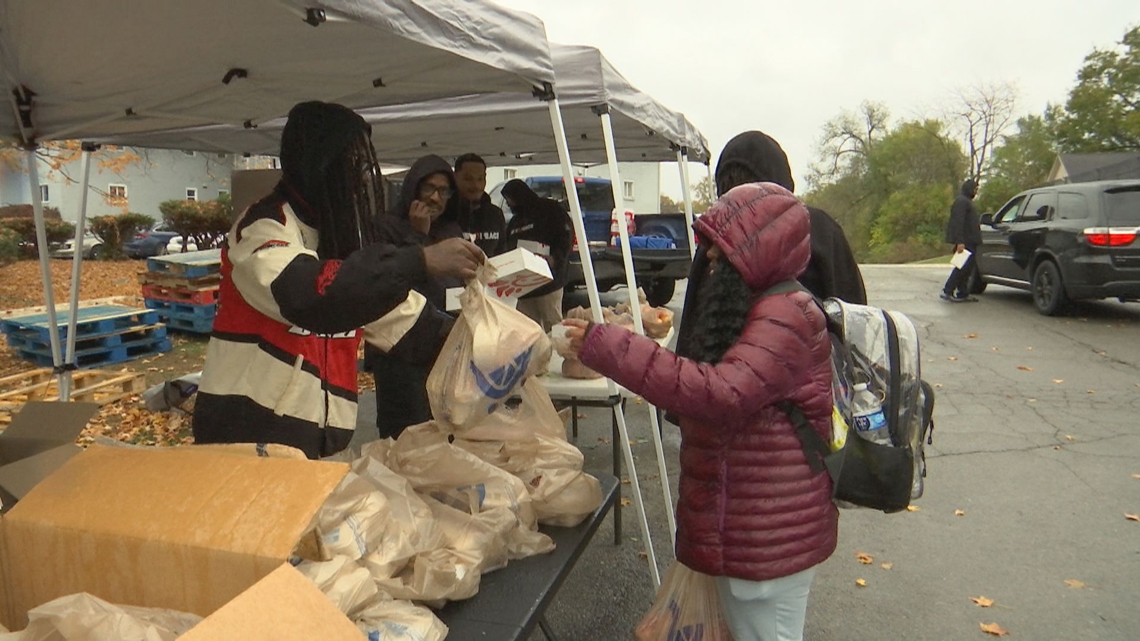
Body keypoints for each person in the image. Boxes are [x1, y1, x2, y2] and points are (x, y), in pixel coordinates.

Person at [564, 182, 838, 641]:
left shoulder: (784, 316)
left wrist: (610, 346)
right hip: (755, 525)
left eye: (721, 246)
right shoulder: (766, 307)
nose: (708, 257)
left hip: (765, 536)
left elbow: (721, 393)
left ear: (759, 249)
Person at [192, 101, 483, 459]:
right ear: (319, 164)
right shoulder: (263, 226)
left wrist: (482, 345)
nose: (362, 179)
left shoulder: (333, 235)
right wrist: (420, 259)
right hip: (248, 440)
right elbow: (311, 295)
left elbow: (397, 317)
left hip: (315, 444)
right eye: (353, 166)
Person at [365, 155, 465, 439]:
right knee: (407, 435)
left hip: (447, 345)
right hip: (401, 353)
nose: (435, 198)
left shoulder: (450, 229)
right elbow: (385, 282)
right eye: (428, 188)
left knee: (445, 434)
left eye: (444, 191)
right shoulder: (384, 227)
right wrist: (418, 236)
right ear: (412, 189)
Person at [714, 130, 867, 304]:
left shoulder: (713, 243)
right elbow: (855, 316)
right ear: (784, 183)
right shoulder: (822, 231)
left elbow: (692, 325)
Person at [500, 179, 573, 332]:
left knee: (553, 326)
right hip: (524, 285)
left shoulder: (550, 210)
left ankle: (560, 354)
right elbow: (508, 247)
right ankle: (536, 356)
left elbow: (565, 237)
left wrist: (555, 258)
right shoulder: (515, 221)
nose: (509, 204)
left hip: (549, 282)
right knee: (527, 330)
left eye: (510, 200)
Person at [453, 153, 506, 256]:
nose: (476, 185)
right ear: (455, 178)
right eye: (468, 179)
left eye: (480, 179)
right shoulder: (444, 212)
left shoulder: (495, 214)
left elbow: (502, 254)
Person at [941, 179, 981, 302]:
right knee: (961, 268)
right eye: (975, 189)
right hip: (965, 241)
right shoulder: (961, 202)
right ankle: (948, 290)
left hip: (971, 240)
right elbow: (958, 223)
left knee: (967, 269)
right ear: (969, 189)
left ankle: (963, 292)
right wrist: (960, 241)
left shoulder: (967, 201)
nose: (976, 192)